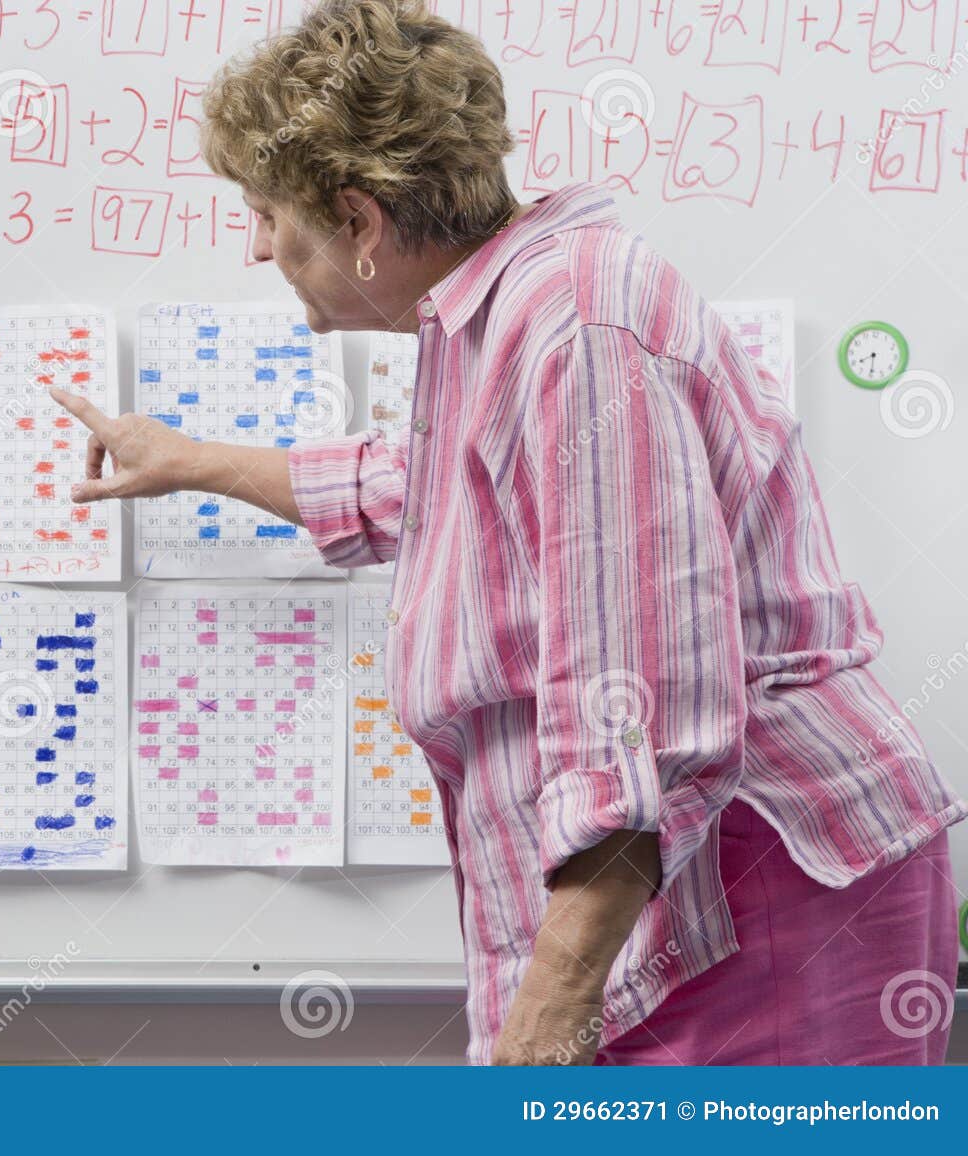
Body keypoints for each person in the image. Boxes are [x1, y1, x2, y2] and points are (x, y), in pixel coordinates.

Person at [51, 0, 965, 1064]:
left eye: (264, 212)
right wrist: (190, 461)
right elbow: (430, 493)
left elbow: (639, 707)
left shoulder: (574, 327)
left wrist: (546, 1016)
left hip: (748, 899)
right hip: (676, 900)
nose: (255, 247)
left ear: (357, 221)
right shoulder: (500, 316)